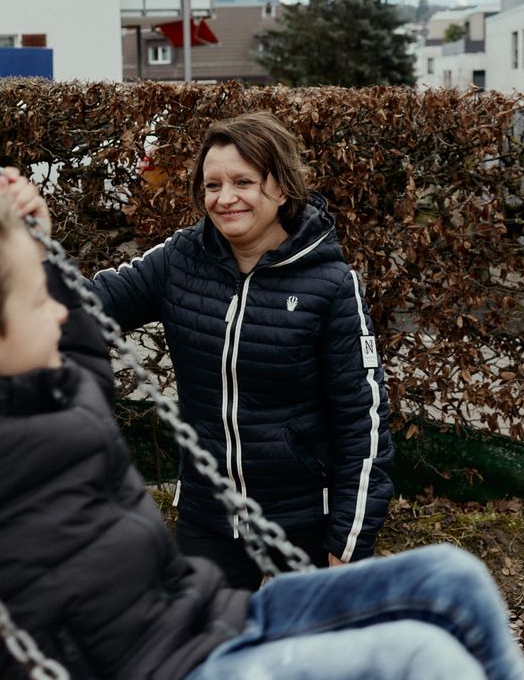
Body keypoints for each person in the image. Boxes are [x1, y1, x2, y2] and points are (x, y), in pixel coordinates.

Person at [0, 184, 524, 680]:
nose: (62, 305)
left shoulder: (43, 383)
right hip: (159, 671)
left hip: (216, 617)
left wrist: (32, 242)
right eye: (37, 298)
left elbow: (83, 337)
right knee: (420, 658)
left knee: (450, 582)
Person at [84, 111, 394, 588]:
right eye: (212, 185)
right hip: (207, 521)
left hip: (303, 524)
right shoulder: (179, 260)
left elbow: (363, 424)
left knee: (299, 660)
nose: (224, 198)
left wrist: (348, 543)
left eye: (243, 181)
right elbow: (86, 304)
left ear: (282, 188)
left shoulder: (331, 284)